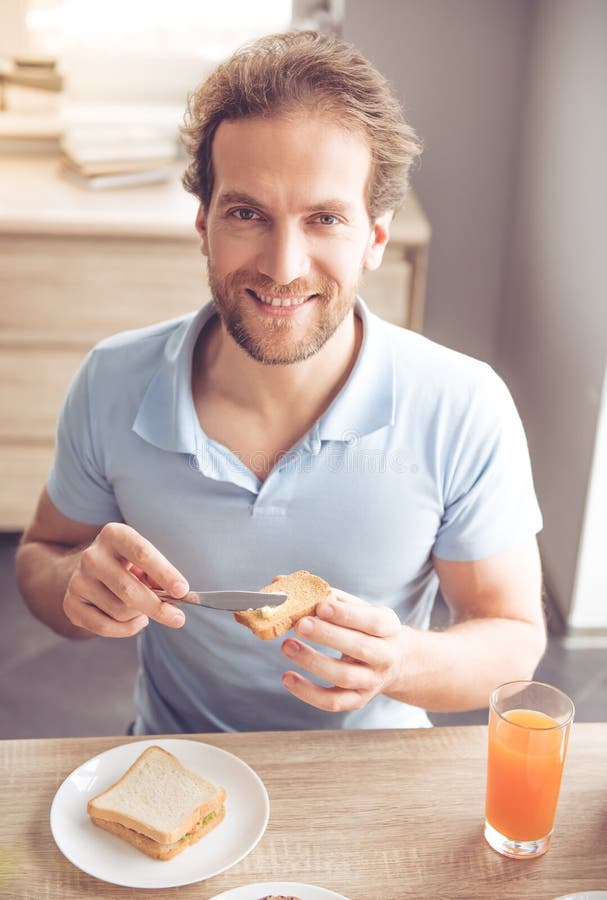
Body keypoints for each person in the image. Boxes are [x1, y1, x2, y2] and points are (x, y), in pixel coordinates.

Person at [15, 31, 546, 735]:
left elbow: (511, 636)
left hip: (372, 778)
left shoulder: (462, 406)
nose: (283, 265)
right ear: (204, 223)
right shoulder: (113, 380)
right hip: (180, 759)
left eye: (323, 218)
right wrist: (72, 587)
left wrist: (399, 664)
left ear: (374, 238)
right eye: (246, 214)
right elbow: (41, 558)